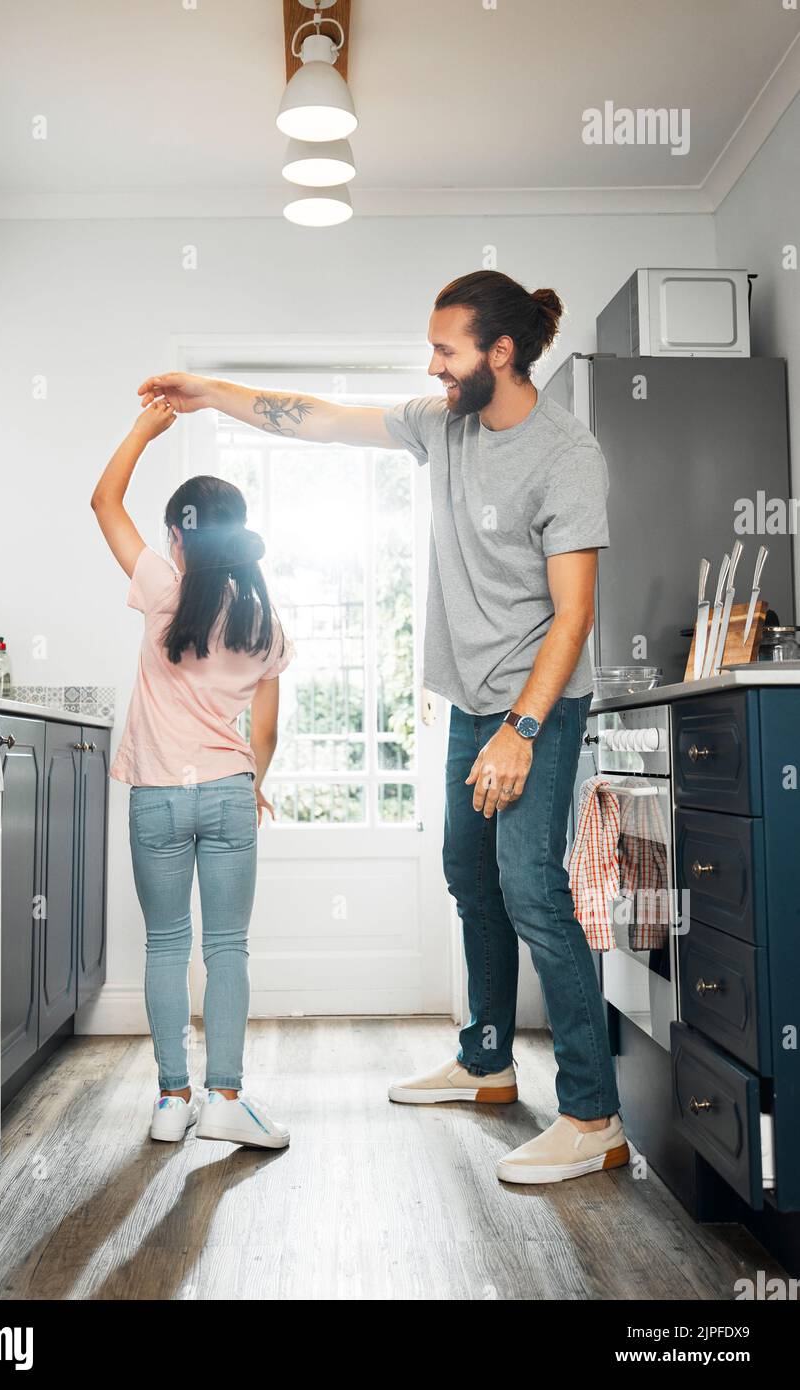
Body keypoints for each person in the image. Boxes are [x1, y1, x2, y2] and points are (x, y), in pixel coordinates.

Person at [135, 268, 629, 1185]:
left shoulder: (568, 455)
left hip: (538, 707)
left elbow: (573, 616)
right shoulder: (441, 426)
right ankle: (485, 1062)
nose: (433, 366)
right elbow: (316, 417)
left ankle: (594, 1114)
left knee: (531, 889)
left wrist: (521, 729)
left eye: (447, 350)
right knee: (468, 876)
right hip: (474, 701)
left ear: (501, 352)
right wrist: (211, 393)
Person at [91, 398, 293, 1150]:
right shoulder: (263, 619)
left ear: (178, 536)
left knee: (166, 945)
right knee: (228, 948)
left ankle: (171, 1101)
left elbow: (103, 502)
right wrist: (253, 780)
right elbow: (264, 730)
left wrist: (144, 427)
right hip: (229, 794)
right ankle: (227, 1100)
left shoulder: (160, 588)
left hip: (156, 797)